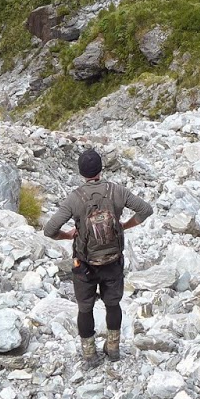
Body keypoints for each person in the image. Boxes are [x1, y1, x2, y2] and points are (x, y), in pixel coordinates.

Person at [42, 147, 154, 364]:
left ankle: (90, 354)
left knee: (85, 308)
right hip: (113, 261)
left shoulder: (74, 198)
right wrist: (123, 227)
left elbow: (49, 230)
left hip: (84, 265)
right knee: (113, 305)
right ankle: (113, 349)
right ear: (101, 169)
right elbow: (146, 210)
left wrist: (67, 236)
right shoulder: (118, 191)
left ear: (81, 172)